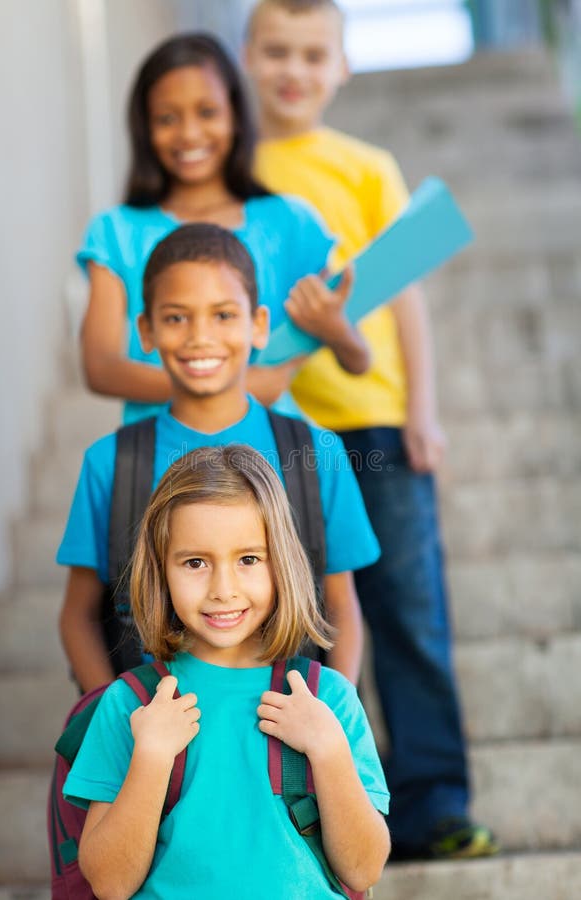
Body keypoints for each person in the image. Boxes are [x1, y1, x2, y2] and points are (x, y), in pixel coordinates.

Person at [244, 0, 499, 861]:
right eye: (276, 50)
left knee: (410, 609)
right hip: (274, 434)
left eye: (314, 55)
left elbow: (408, 289)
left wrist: (422, 411)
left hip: (378, 424)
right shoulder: (234, 172)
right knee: (305, 617)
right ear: (248, 56)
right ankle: (329, 799)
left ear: (341, 67)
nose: (294, 70)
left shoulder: (365, 165)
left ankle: (434, 800)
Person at [57, 223, 379, 693]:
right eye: (175, 318)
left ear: (260, 325)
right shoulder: (111, 463)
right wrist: (112, 720)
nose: (200, 337)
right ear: (145, 330)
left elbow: (342, 607)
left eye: (224, 315)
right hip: (158, 744)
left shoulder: (317, 454)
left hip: (286, 741)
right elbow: (77, 616)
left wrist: (336, 715)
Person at [62, 444, 391, 898]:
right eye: (195, 562)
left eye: (248, 560)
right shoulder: (132, 704)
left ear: (282, 564)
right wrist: (151, 758)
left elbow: (364, 869)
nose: (223, 589)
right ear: (161, 570)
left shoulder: (327, 699)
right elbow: (109, 883)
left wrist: (330, 750)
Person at [78, 31, 368, 424]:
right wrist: (234, 385)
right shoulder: (117, 233)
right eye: (167, 118)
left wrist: (335, 328)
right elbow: (100, 369)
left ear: (235, 115)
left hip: (269, 463)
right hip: (160, 466)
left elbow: (358, 360)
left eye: (207, 112)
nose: (189, 133)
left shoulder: (288, 223)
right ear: (144, 128)